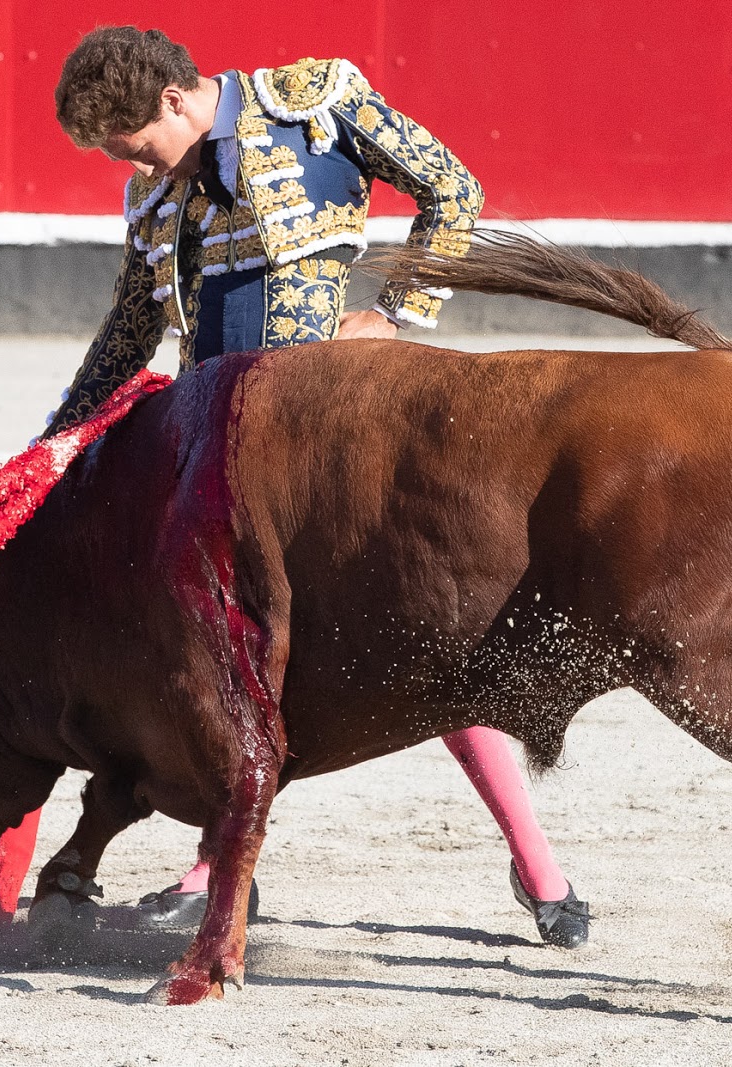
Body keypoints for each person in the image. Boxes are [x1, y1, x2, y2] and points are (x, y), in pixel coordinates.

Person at [45, 26, 591, 947]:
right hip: (218, 454)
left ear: (175, 100)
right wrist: (58, 438)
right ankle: (217, 866)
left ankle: (538, 863)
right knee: (227, 657)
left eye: (134, 145)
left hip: (336, 443)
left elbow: (451, 189)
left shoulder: (315, 105)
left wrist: (397, 313)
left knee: (419, 640)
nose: (132, 167)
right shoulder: (152, 193)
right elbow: (130, 330)